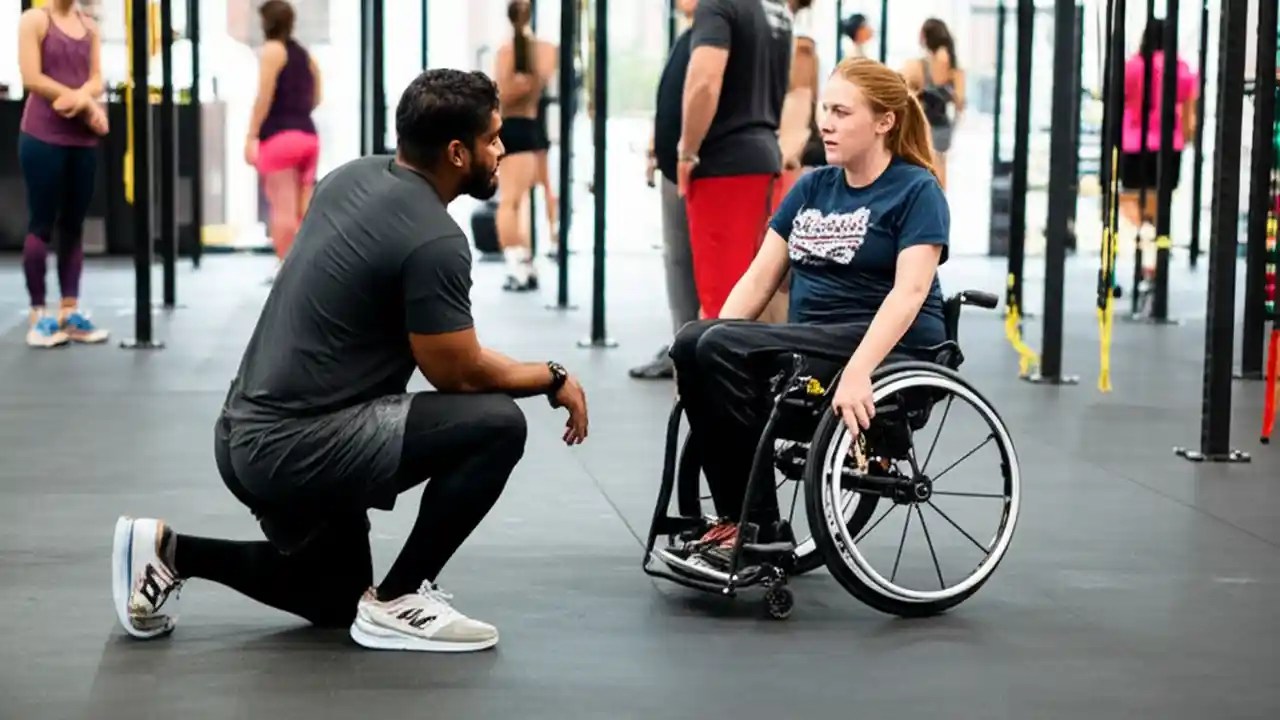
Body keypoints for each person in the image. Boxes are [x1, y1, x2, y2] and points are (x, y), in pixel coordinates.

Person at [111, 69, 590, 653]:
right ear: (457, 152)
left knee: (333, 596)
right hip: (293, 447)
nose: (501, 149)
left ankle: (168, 551)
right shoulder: (435, 240)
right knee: (495, 425)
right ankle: (397, 599)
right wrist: (551, 375)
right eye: (492, 139)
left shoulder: (352, 175)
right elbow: (458, 373)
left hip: (244, 432)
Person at [670, 57, 950, 569]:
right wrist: (699, 357)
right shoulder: (813, 187)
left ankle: (759, 531)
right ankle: (742, 521)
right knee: (695, 340)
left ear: (884, 121)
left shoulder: (917, 191)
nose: (826, 122)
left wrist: (861, 370)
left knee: (718, 346)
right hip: (813, 341)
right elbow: (759, 278)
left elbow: (910, 293)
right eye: (825, 109)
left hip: (886, 343)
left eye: (842, 112)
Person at [677, 0, 812, 321]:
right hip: (759, 159)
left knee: (721, 307)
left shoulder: (718, 5)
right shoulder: (775, 10)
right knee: (751, 296)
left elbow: (705, 84)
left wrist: (687, 150)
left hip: (725, 166)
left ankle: (717, 369)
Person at [16, 0, 109, 348]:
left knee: (73, 224)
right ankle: (38, 316)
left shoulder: (91, 26)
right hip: (42, 136)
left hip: (81, 139)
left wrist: (83, 99)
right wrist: (79, 99)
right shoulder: (35, 20)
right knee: (41, 223)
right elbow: (32, 77)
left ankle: (69, 312)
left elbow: (97, 78)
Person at [631, 0, 701, 380]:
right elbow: (671, 101)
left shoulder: (713, 33)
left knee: (690, 261)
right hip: (675, 164)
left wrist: (688, 152)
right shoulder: (689, 37)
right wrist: (655, 148)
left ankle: (690, 348)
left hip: (696, 167)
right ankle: (682, 342)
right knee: (678, 259)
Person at [1119, 18, 1197, 288]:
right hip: (1168, 146)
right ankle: (1153, 254)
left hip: (1134, 144)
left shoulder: (1132, 67)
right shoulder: (1181, 69)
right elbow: (1189, 112)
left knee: (1133, 203)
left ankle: (1146, 247)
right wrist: (1186, 138)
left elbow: (1119, 101)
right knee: (1159, 204)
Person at [244, 0, 322, 268]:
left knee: (283, 210)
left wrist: (251, 135)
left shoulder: (273, 50)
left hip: (280, 138)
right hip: (308, 136)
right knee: (305, 211)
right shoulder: (305, 54)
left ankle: (288, 272)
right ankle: (309, 269)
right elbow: (317, 96)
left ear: (266, 22)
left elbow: (264, 96)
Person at [494, 0, 558, 292]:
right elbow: (508, 93)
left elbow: (515, 91)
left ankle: (522, 264)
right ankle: (520, 264)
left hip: (525, 128)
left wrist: (520, 86)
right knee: (513, 202)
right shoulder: (524, 51)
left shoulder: (529, 50)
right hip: (521, 128)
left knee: (515, 201)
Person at [901, 19, 964, 190]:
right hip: (943, 125)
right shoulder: (954, 67)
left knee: (923, 167)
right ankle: (939, 205)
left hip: (924, 123)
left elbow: (902, 91)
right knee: (940, 166)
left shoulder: (917, 65)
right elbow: (960, 102)